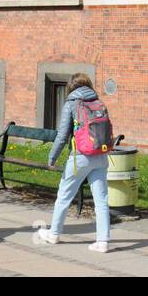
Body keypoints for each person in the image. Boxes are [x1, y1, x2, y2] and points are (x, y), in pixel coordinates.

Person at [36, 73, 111, 252]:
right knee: (101, 200)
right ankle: (103, 242)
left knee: (64, 195)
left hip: (80, 157)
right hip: (100, 155)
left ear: (71, 87)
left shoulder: (71, 103)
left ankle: (54, 234)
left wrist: (52, 158)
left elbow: (62, 135)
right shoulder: (98, 102)